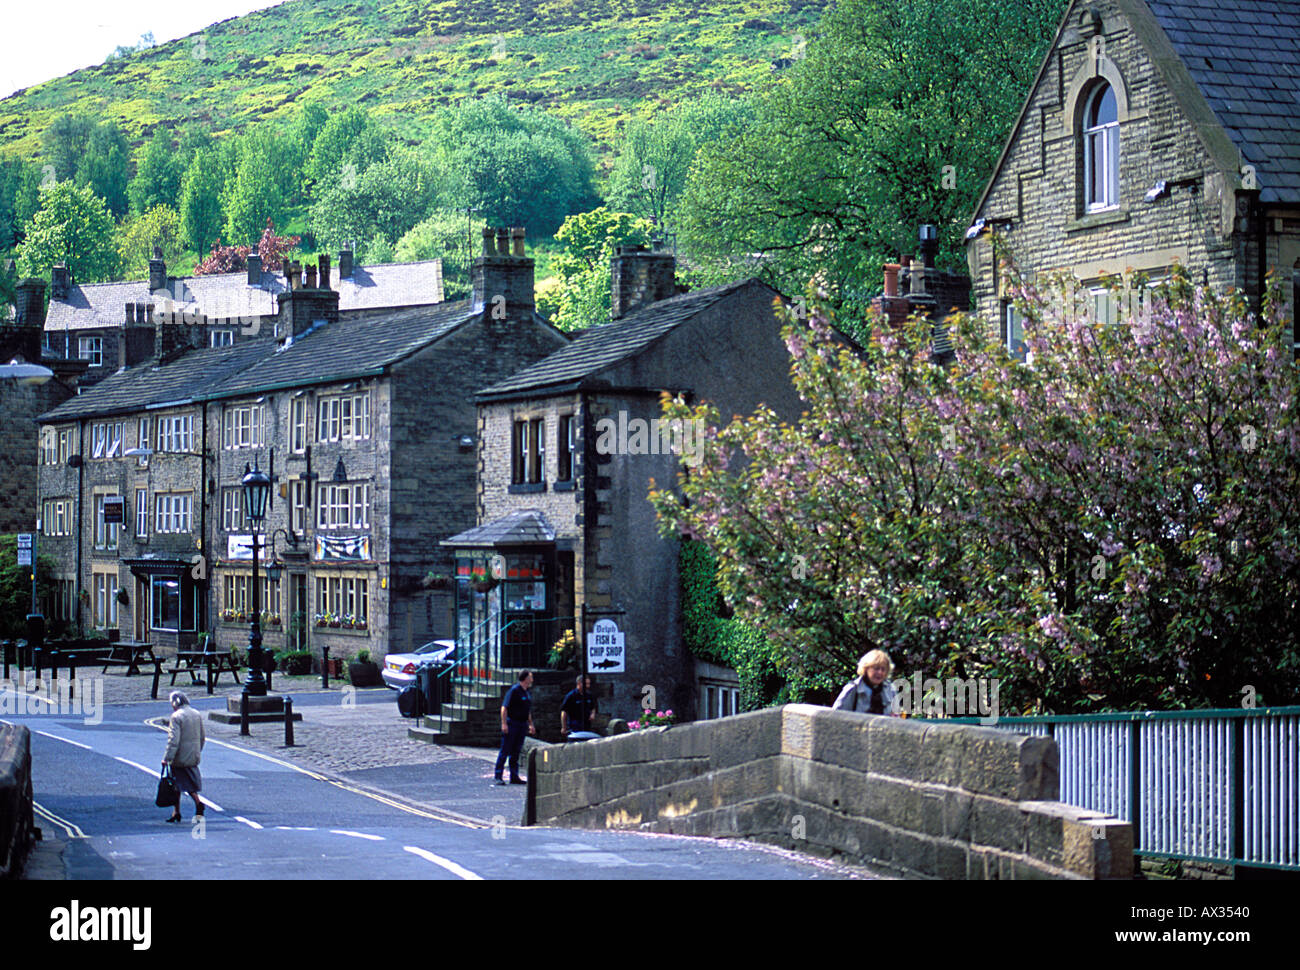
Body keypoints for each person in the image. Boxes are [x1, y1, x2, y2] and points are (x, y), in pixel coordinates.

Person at [162, 690, 206, 822]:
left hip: (179, 756)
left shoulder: (176, 717)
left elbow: (173, 740)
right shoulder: (196, 714)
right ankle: (176, 812)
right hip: (193, 754)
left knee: (181, 783)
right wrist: (198, 750)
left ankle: (198, 803)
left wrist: (167, 758)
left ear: (175, 702)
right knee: (180, 784)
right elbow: (202, 737)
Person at [495, 670, 535, 785]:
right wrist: (504, 723)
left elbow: (527, 711)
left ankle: (514, 776)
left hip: (522, 724)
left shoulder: (527, 692)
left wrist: (531, 724)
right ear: (525, 678)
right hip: (512, 723)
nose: (532, 679)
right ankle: (498, 775)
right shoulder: (514, 690)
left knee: (516, 751)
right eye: (530, 677)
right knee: (505, 749)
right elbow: (504, 708)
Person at [832, 649, 898, 716]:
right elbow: (836, 715)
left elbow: (896, 717)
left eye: (883, 669)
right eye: (876, 668)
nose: (880, 672)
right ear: (866, 669)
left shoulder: (890, 690)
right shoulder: (853, 689)